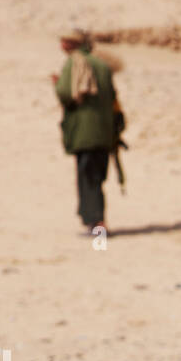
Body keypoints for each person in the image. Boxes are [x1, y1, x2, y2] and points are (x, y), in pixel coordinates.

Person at [52, 28, 117, 234]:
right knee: (97, 175)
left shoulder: (76, 62)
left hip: (84, 130)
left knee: (88, 176)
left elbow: (66, 93)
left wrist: (56, 84)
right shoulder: (102, 64)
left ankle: (97, 222)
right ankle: (97, 219)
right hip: (105, 130)